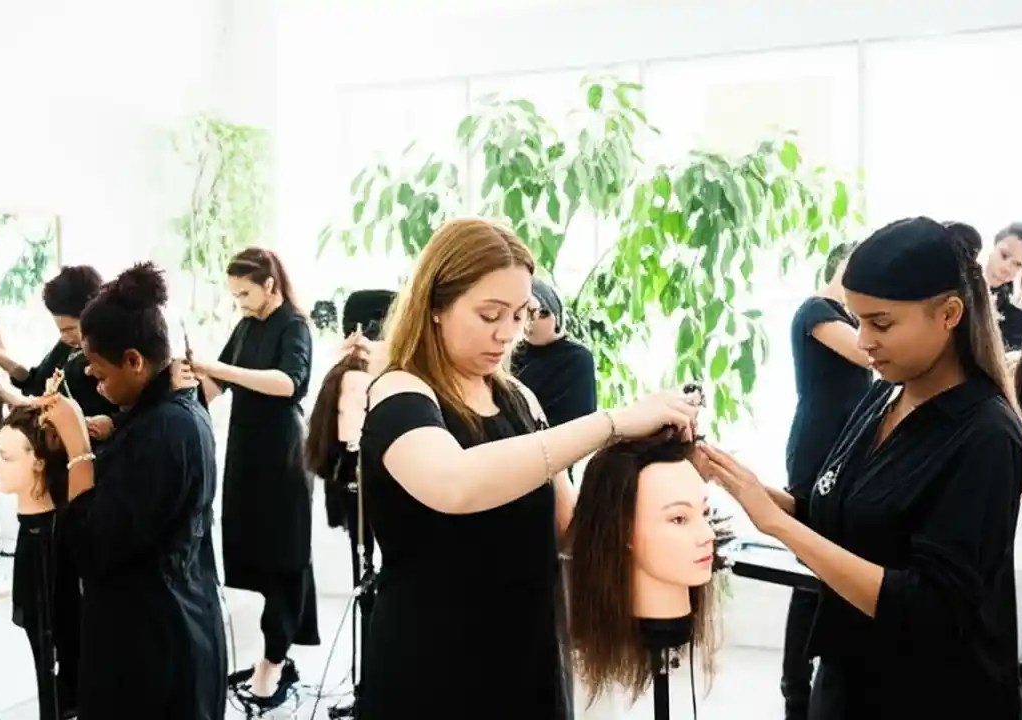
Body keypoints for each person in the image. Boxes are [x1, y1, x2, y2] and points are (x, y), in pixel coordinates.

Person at [357, 217, 701, 719]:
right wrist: (612, 423)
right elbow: (456, 484)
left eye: (520, 315)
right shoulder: (401, 393)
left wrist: (663, 492)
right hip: (433, 663)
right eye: (490, 314)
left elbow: (569, 529)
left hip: (527, 651)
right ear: (435, 306)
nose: (507, 334)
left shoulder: (519, 398)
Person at [700, 217, 1022, 719]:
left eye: (881, 323)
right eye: (857, 321)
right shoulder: (884, 397)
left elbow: (929, 609)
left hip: (931, 698)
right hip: (848, 681)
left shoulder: (985, 435)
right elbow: (839, 513)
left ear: (948, 314)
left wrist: (779, 526)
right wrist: (741, 483)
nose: (862, 342)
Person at [38, 263, 226, 720]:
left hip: (153, 650)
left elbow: (92, 545)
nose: (95, 381)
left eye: (99, 373)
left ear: (135, 361)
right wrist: (115, 428)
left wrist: (79, 447)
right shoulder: (176, 412)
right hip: (179, 627)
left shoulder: (163, 432)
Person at [189, 247, 319, 708]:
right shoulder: (246, 325)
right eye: (234, 295)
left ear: (270, 283)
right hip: (246, 451)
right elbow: (214, 385)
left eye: (245, 292)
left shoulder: (295, 326)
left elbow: (289, 383)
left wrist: (216, 368)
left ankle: (274, 661)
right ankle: (273, 653)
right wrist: (182, 383)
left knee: (284, 557)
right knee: (256, 554)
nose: (240, 302)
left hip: (282, 456)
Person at [779, 242, 872, 719]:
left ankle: (816, 687)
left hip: (849, 445)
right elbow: (865, 354)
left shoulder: (859, 321)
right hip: (818, 444)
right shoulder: (817, 309)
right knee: (810, 570)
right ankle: (795, 686)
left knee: (832, 565)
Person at [0, 406, 81, 720]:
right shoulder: (27, 533)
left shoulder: (59, 537)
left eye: (7, 458)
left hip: (47, 546)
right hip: (30, 539)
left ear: (40, 463)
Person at [0, 265, 120, 439]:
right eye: (60, 330)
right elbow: (35, 382)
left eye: (70, 329)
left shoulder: (109, 356)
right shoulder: (68, 345)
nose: (64, 337)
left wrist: (113, 423)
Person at [512, 279, 597, 428]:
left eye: (542, 313)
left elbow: (580, 423)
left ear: (555, 317)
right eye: (523, 314)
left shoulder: (576, 359)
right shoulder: (511, 355)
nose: (532, 321)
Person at [984, 222, 1022, 352]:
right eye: (1004, 255)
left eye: (1018, 264)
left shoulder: (1018, 323)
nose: (1007, 269)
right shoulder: (952, 285)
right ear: (993, 246)